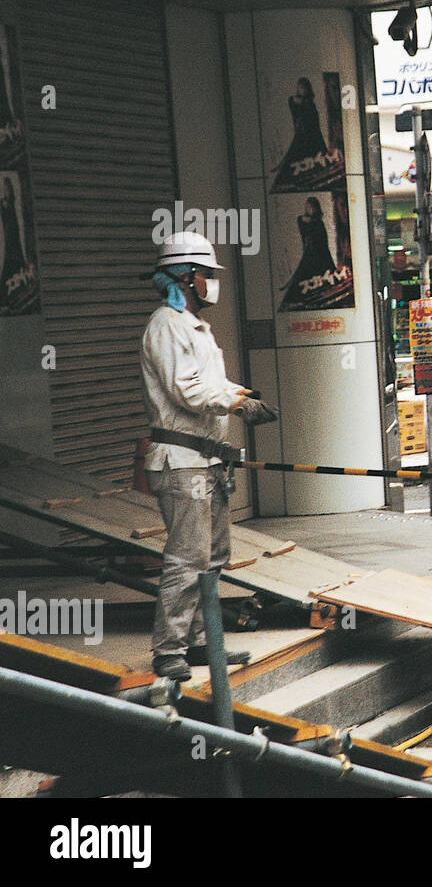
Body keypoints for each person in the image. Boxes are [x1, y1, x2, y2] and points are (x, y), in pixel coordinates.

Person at [141, 232, 277, 681]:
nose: (211, 282)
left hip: (207, 461)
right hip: (180, 463)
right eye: (206, 274)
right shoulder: (166, 325)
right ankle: (169, 651)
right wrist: (236, 403)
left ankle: (202, 641)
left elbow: (208, 382)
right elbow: (189, 390)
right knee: (187, 558)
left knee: (213, 557)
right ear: (186, 276)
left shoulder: (195, 326)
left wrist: (240, 393)